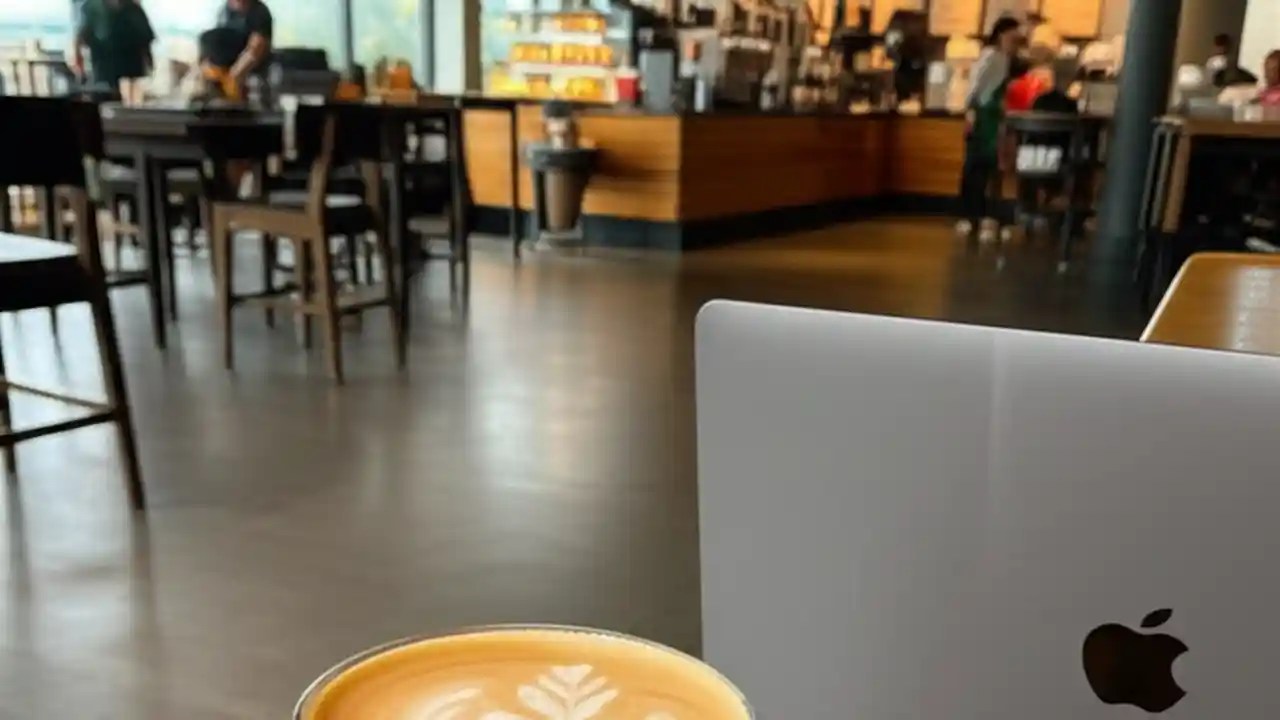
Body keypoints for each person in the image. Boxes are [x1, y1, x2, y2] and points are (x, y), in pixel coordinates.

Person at [957, 16, 1022, 241]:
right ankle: (971, 216)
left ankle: (983, 216)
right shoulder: (991, 57)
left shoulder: (1003, 58)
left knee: (990, 169)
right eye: (1013, 38)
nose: (1015, 44)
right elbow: (976, 88)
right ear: (1002, 35)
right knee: (978, 169)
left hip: (993, 119)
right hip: (984, 118)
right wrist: (971, 112)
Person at [73, 0, 155, 104]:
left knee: (127, 103)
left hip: (128, 71)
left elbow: (145, 39)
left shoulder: (133, 10)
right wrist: (78, 59)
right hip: (104, 72)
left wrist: (149, 62)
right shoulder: (93, 8)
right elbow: (81, 36)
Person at [214, 0, 274, 93]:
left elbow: (256, 50)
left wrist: (233, 76)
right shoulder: (225, 10)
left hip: (253, 73)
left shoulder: (259, 12)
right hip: (227, 68)